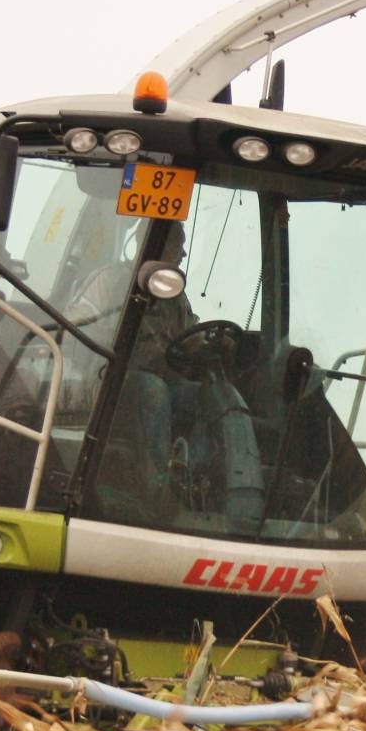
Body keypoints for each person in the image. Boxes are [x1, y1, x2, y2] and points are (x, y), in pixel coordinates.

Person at [66, 221, 264, 528]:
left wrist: (214, 342)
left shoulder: (175, 298)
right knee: (154, 390)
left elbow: (190, 335)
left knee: (213, 394)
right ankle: (155, 490)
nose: (183, 252)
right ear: (152, 246)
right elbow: (75, 331)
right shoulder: (110, 281)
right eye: (177, 244)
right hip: (112, 385)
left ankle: (199, 477)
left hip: (164, 383)